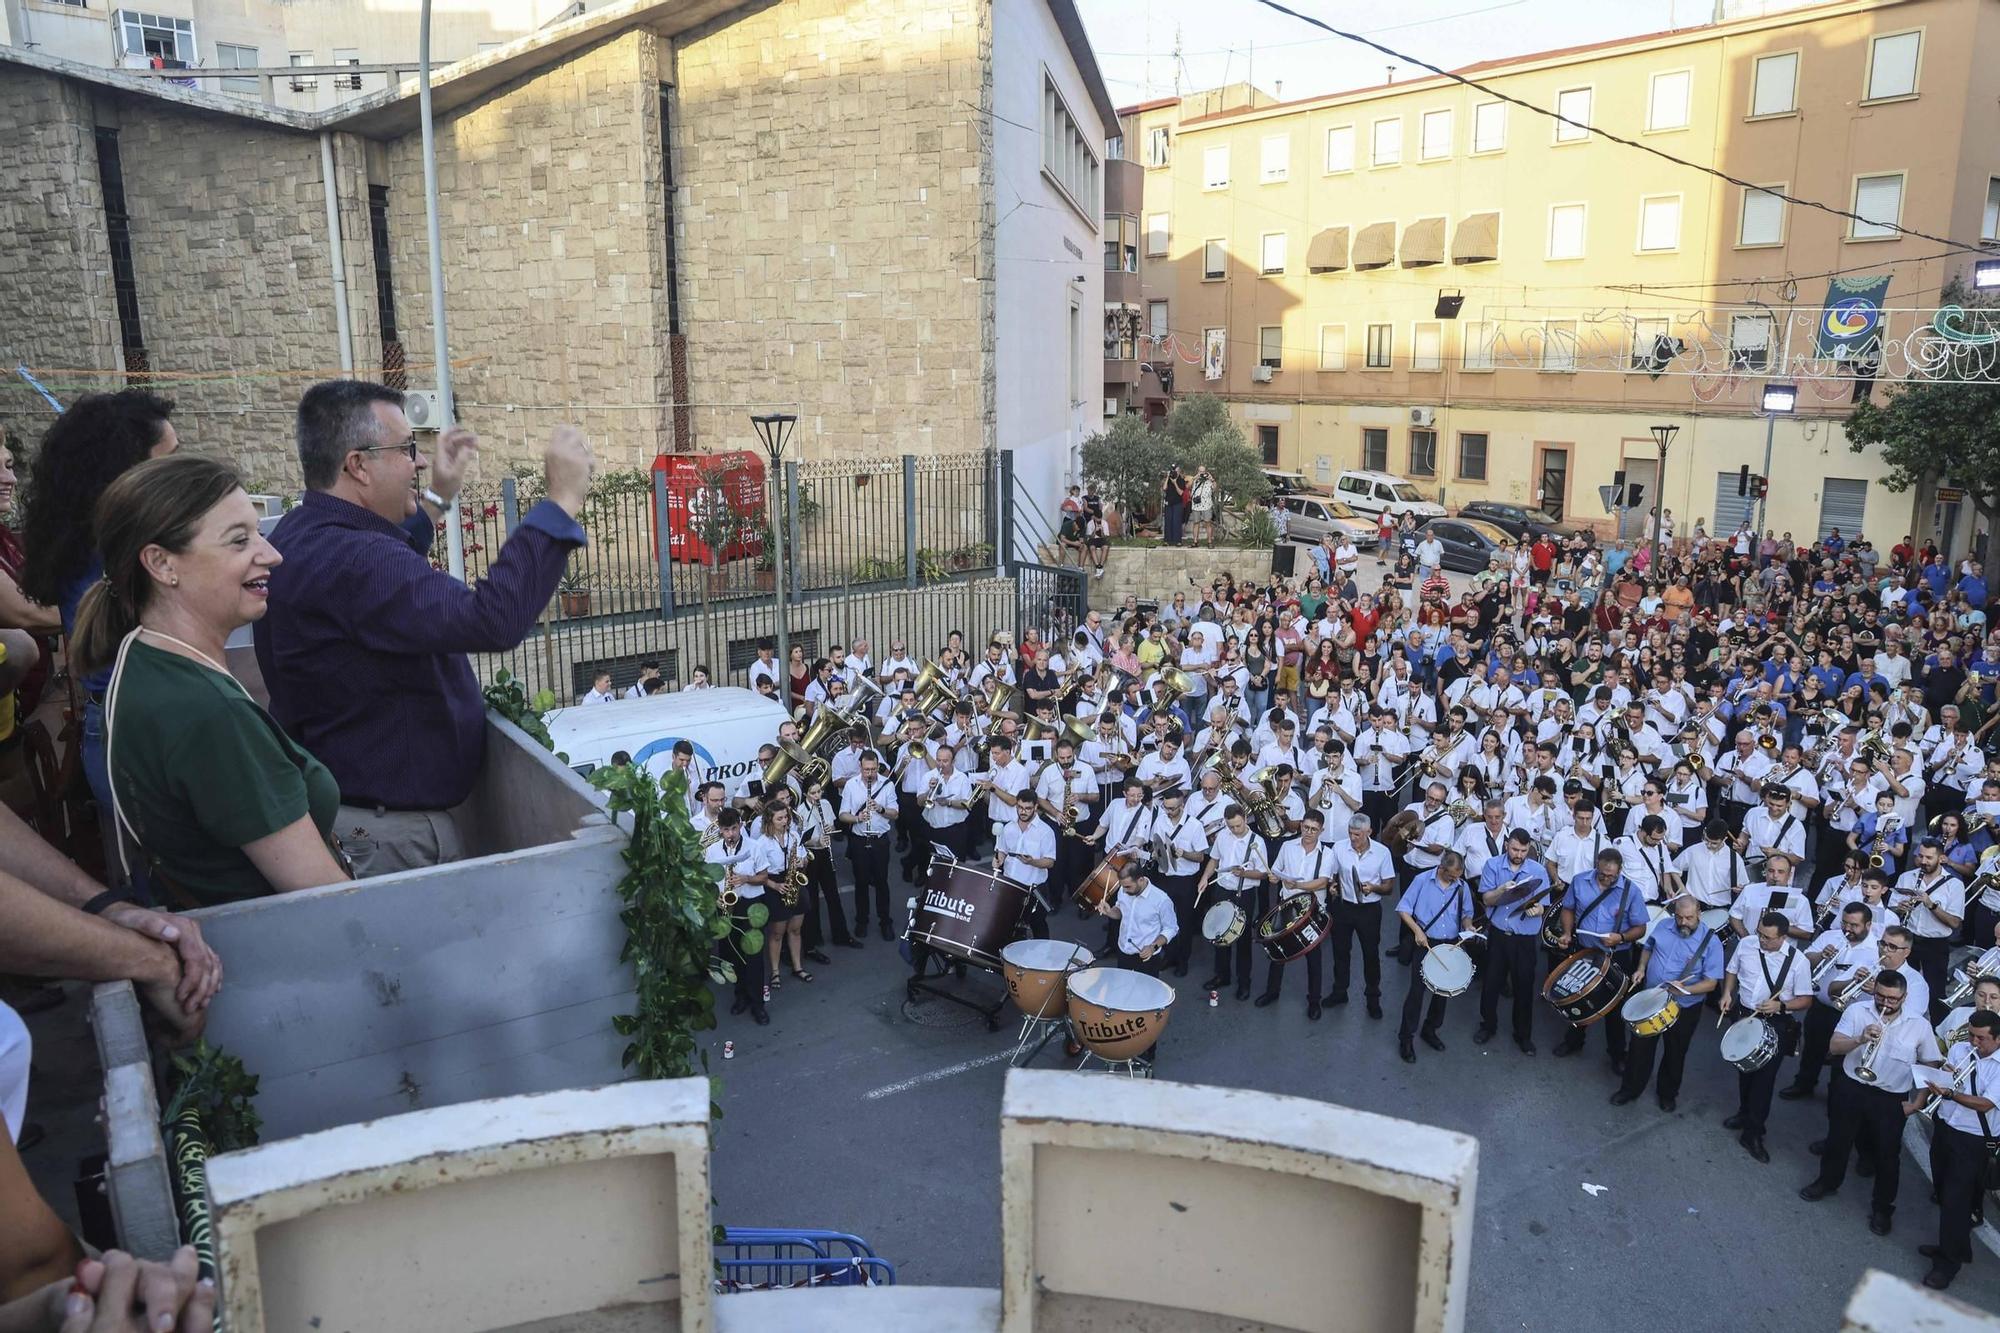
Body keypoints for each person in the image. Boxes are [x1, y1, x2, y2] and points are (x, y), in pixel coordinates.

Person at [254, 381, 591, 877]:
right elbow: (492, 620)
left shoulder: (304, 534)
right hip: (391, 840)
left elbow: (380, 588)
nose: (416, 461)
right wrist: (560, 503)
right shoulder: (358, 558)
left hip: (356, 817)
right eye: (406, 449)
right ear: (358, 465)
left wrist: (435, 497)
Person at [73, 457, 348, 903]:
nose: (272, 554)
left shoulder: (143, 657)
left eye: (259, 533)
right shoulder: (208, 712)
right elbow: (328, 901)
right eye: (240, 541)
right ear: (161, 564)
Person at [17, 390, 180, 815]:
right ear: (125, 471)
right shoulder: (113, 552)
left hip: (116, 728)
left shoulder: (82, 538)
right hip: (142, 736)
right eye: (168, 460)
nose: (181, 473)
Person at [1798, 970, 1940, 1235]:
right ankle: (1827, 1182)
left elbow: (1930, 1064)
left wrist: (1918, 1102)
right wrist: (1860, 1038)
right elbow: (1835, 1047)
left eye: (1893, 999)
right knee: (1838, 1140)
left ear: (1904, 997)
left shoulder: (1918, 1025)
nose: (1886, 1003)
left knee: (1887, 1156)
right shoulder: (1858, 1011)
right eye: (1881, 996)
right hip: (1852, 1087)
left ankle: (1882, 1208)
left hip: (1889, 1097)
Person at [1716, 910, 1814, 1163]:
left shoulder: (1798, 961)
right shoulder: (1747, 944)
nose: (1762, 940)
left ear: (1783, 937)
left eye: (1768, 938)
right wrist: (1727, 993)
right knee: (1744, 1070)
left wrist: (1781, 1006)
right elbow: (1732, 969)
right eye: (1760, 934)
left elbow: (1805, 999)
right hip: (1744, 1014)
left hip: (1775, 1021)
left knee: (1764, 1079)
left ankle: (1754, 1132)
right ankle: (1744, 1112)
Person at [1610, 895, 1723, 1113]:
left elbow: (1710, 983)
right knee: (1639, 1047)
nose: (1683, 923)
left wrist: (1683, 989)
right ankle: (1630, 1089)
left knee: (1675, 1051)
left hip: (1684, 1006)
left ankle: (1667, 1093)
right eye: (1679, 917)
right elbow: (1648, 947)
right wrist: (1641, 968)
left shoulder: (1711, 942)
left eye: (1689, 918)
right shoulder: (1663, 925)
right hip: (1652, 997)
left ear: (1699, 913)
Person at [1916, 1009, 2000, 1290]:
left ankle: (1947, 1264)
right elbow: (1946, 1077)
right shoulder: (1961, 1048)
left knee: (1955, 1200)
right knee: (1941, 1187)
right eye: (1972, 1036)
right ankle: (1957, 1247)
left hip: (1973, 1140)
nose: (1975, 1043)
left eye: (1982, 1039)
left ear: (1998, 1039)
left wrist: (1951, 1093)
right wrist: (1944, 1077)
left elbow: (1986, 1104)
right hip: (1946, 1126)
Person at [1475, 831, 1552, 1056]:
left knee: (1524, 987)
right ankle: (1487, 1026)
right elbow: (1486, 900)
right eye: (1515, 849)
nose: (1518, 855)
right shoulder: (1492, 865)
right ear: (1507, 845)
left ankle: (1523, 1035)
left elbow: (1542, 906)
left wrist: (1537, 910)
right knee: (1491, 984)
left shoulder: (1538, 871)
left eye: (1523, 851)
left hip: (1525, 938)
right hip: (1499, 935)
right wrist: (1501, 889)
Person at [1395, 851, 1477, 1063]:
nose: (1455, 880)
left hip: (1449, 944)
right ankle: (1406, 1037)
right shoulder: (1422, 881)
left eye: (1458, 875)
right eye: (1451, 875)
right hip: (1426, 942)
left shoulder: (1462, 886)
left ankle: (1430, 1029)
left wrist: (1469, 926)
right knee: (1417, 992)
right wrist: (1417, 931)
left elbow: (1467, 914)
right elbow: (1403, 909)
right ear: (1441, 868)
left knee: (1443, 992)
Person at [1257, 810, 1337, 1017]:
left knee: (1313, 956)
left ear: (1322, 830)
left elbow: (1323, 881)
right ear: (1301, 825)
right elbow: (1276, 870)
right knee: (1277, 950)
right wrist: (1274, 878)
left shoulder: (1327, 854)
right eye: (1305, 827)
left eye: (1314, 829)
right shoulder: (1287, 846)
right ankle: (1272, 991)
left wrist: (1299, 885)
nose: (1308, 832)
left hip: (1312, 910)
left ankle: (1314, 1001)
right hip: (1287, 905)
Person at [706, 809, 771, 1025]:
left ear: (740, 825)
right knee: (733, 955)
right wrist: (717, 899)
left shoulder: (754, 847)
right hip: (726, 905)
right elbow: (709, 880)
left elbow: (764, 877)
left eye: (734, 828)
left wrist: (745, 879)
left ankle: (758, 1004)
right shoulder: (714, 850)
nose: (731, 834)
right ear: (720, 829)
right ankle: (740, 996)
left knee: (753, 956)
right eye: (726, 830)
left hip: (750, 905)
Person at [1198, 804, 1268, 1000]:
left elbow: (1263, 873)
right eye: (1231, 826)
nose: (1235, 829)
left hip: (1243, 894)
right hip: (1222, 889)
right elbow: (1214, 859)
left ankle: (1244, 982)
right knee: (1219, 935)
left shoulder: (1257, 842)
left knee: (1242, 939)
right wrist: (1205, 878)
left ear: (1245, 818)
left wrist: (1244, 873)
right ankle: (1222, 975)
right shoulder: (1223, 836)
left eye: (1237, 825)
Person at [840, 750, 897, 940]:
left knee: (882, 882)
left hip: (880, 839)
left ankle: (885, 921)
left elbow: (895, 813)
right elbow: (842, 814)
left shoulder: (887, 785)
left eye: (873, 770)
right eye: (866, 770)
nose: (869, 774)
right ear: (860, 767)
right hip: (859, 839)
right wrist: (857, 818)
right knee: (861, 882)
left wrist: (880, 809)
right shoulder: (851, 785)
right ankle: (861, 921)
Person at [1098, 862, 1177, 976]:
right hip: (1124, 950)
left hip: (1146, 956)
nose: (1124, 891)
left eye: (1128, 887)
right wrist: (1109, 912)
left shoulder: (1161, 900)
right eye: (1122, 886)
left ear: (1140, 880)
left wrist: (1153, 947)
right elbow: (1120, 912)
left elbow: (1171, 928)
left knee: (1145, 992)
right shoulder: (1124, 890)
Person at [995, 801, 1056, 940]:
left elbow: (1050, 862)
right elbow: (1002, 850)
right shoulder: (1008, 827)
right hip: (1010, 885)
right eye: (1020, 808)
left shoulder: (1045, 831)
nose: (1023, 812)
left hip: (1034, 889)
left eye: (1028, 808)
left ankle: (1042, 956)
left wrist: (1032, 862)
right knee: (1010, 925)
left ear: (1035, 807)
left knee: (1038, 924)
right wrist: (999, 859)